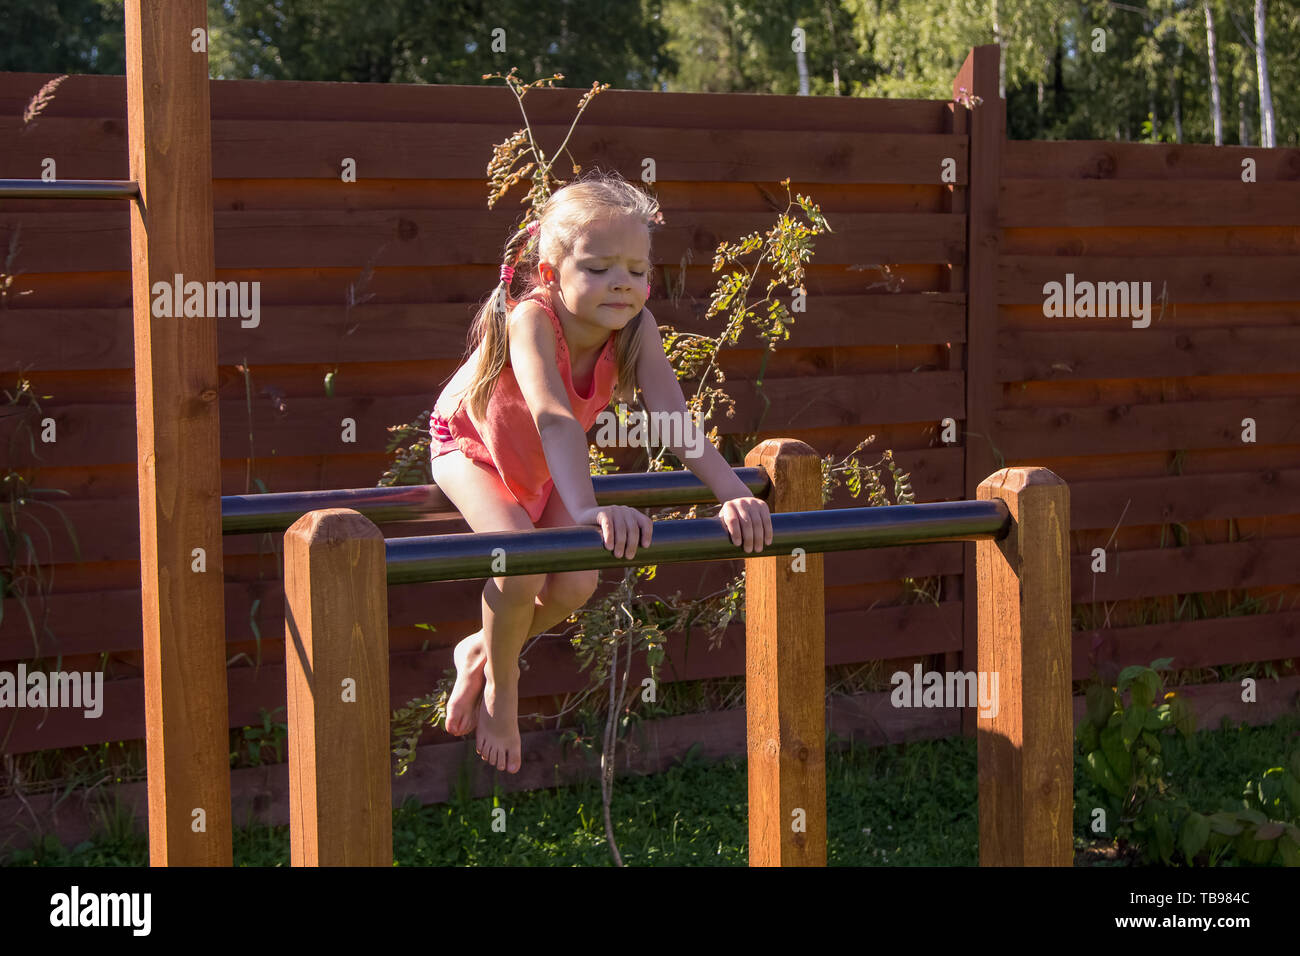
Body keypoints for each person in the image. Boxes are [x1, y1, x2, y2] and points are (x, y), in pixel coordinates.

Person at [429, 170, 773, 774]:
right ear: (549, 273)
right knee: (517, 564)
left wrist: (731, 492)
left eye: (638, 271)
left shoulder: (637, 330)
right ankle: (503, 688)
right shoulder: (530, 320)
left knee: (579, 582)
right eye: (597, 267)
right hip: (470, 449)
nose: (623, 283)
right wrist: (587, 509)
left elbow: (672, 418)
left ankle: (482, 647)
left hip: (542, 468)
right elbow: (554, 416)